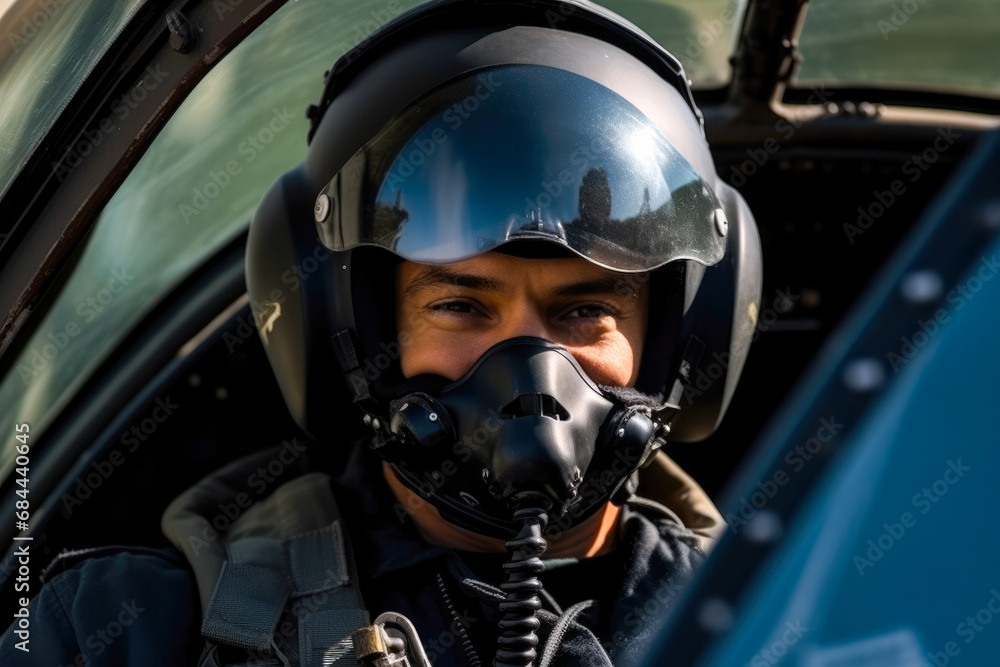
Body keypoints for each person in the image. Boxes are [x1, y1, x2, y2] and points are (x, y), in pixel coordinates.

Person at [1, 1, 761, 665]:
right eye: (463, 307)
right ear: (356, 335)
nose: (535, 368)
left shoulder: (791, 615)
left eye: (583, 311)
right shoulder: (120, 628)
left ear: (676, 341)